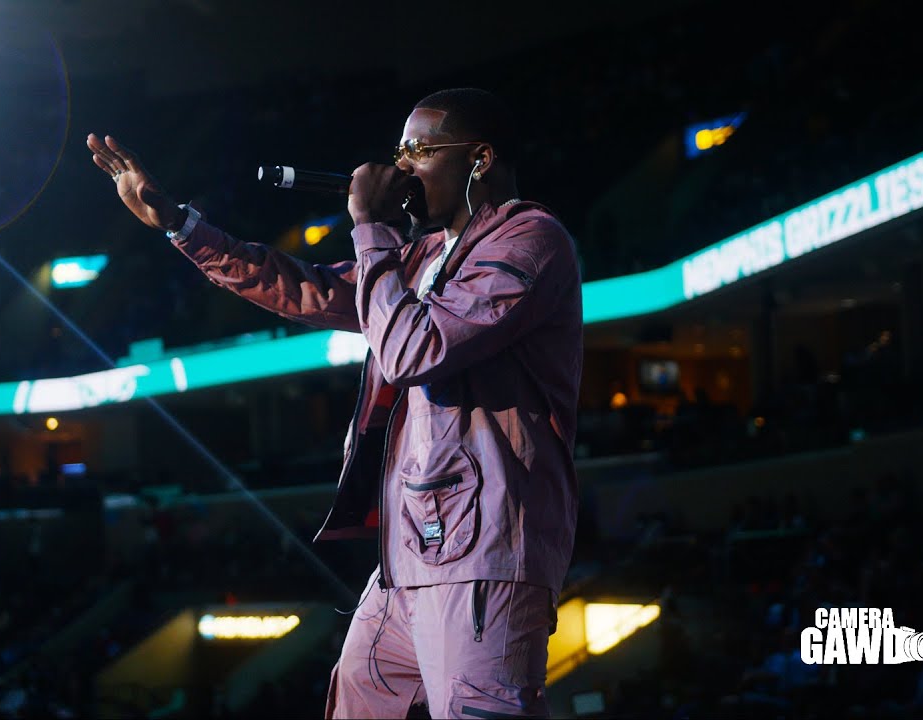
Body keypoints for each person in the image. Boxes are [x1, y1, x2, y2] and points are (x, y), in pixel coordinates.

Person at [87, 87, 583, 719]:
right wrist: (183, 227)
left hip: (484, 554)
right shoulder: (424, 255)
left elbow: (415, 352)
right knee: (356, 702)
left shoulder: (530, 242)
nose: (401, 167)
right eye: (398, 151)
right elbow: (306, 290)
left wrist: (371, 229)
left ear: (479, 159)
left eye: (419, 150)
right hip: (411, 554)